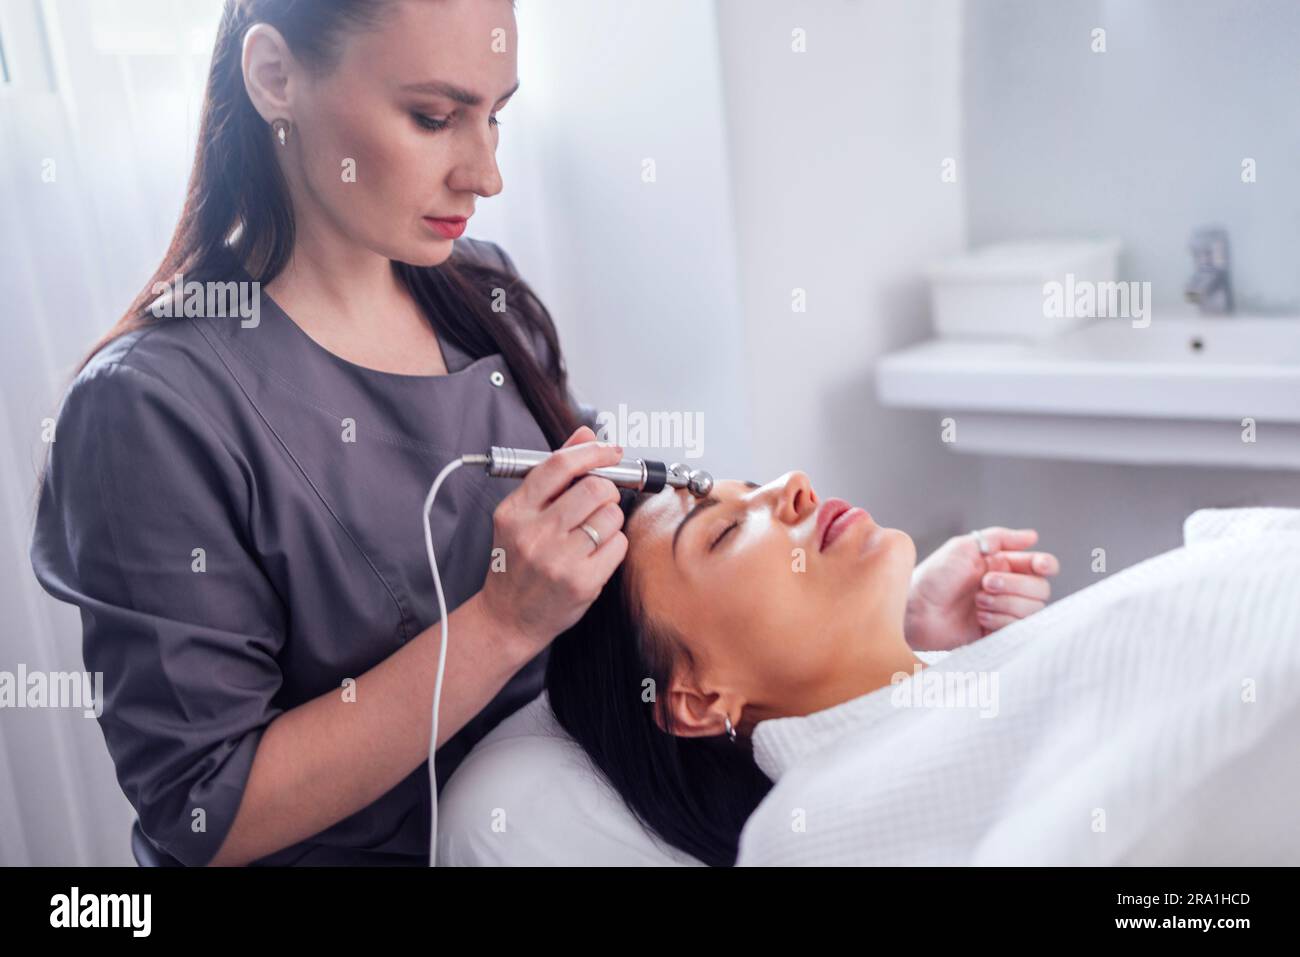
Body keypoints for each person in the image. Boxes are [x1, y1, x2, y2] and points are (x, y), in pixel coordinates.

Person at [29, 0, 632, 866]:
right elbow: (205, 811)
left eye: (496, 116)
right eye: (434, 117)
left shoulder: (484, 292)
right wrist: (500, 624)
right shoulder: (148, 409)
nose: (486, 175)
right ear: (275, 76)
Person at [547, 474, 1061, 866]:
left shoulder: (982, 680)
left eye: (753, 486)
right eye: (725, 532)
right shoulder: (825, 841)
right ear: (700, 701)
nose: (794, 483)